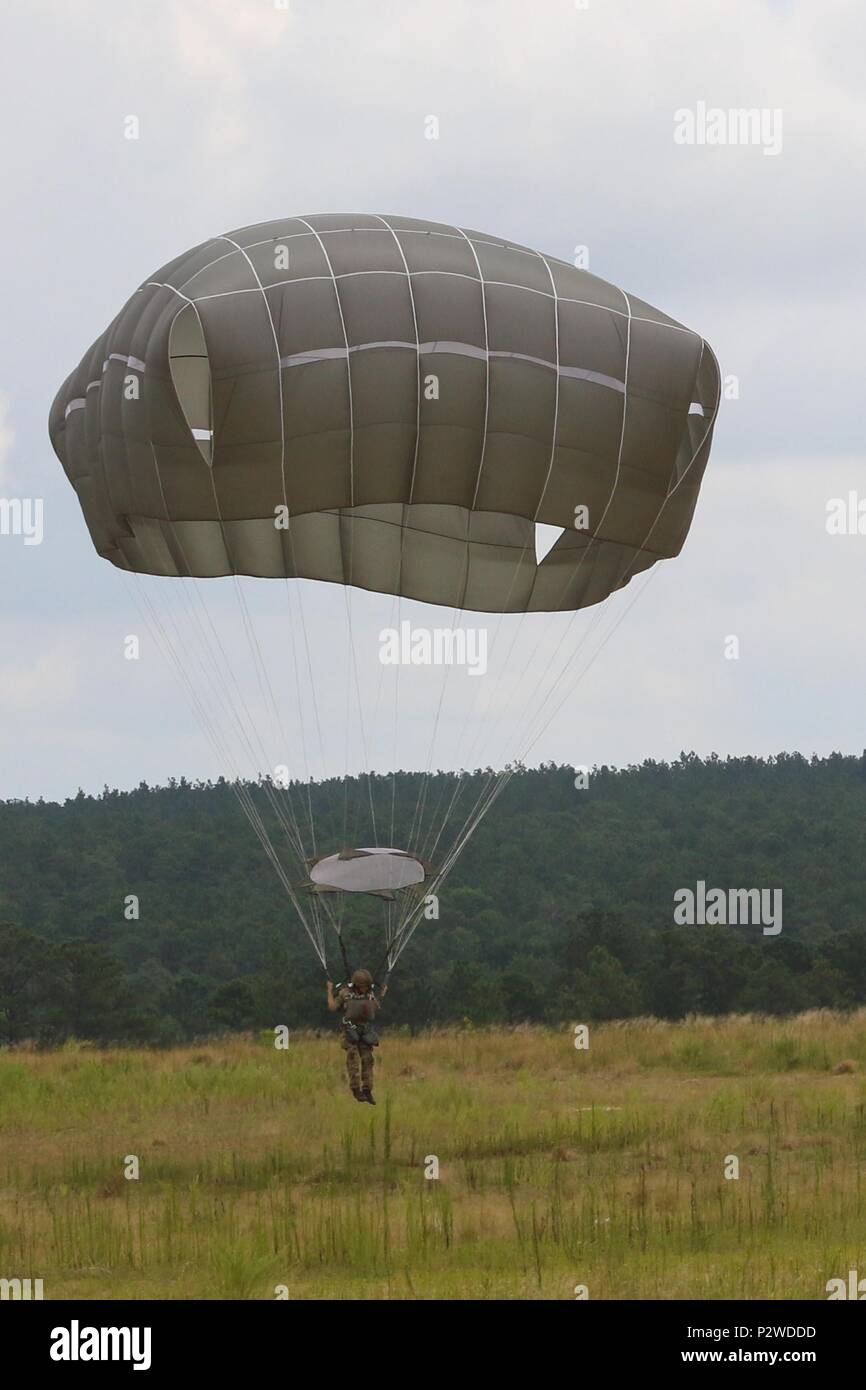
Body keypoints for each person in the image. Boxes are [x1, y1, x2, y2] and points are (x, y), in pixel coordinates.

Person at [327, 968, 388, 1104]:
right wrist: (329, 991)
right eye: (362, 987)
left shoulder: (370, 995)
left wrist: (382, 994)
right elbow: (332, 1007)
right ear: (356, 985)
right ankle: (356, 1089)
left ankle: (367, 1090)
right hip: (350, 1031)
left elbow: (376, 1007)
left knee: (368, 1060)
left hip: (365, 1031)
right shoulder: (345, 994)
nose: (365, 989)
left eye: (367, 987)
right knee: (353, 1059)